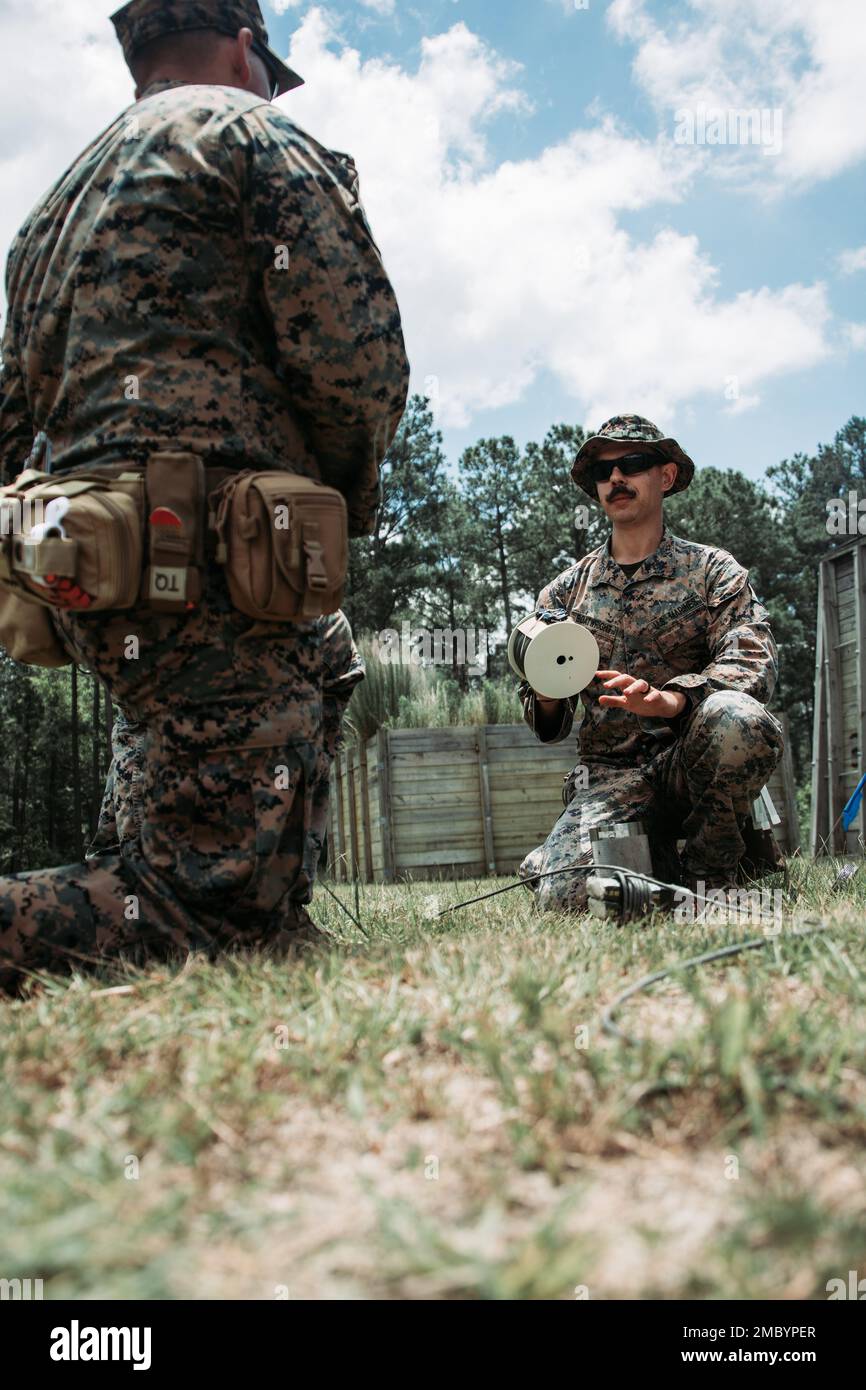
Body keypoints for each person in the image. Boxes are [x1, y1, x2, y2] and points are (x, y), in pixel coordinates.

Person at [0, 0, 409, 993]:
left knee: (302, 682)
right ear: (242, 47)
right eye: (270, 66)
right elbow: (353, 361)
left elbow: (13, 408)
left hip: (91, 557)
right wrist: (339, 501)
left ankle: (245, 897)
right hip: (220, 551)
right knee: (202, 917)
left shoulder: (55, 205)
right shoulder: (249, 135)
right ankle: (219, 907)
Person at [517, 414, 783, 912]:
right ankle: (644, 865)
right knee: (565, 898)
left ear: (665, 476)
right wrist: (548, 691)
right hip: (612, 779)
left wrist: (674, 700)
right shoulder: (563, 593)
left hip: (693, 765)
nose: (616, 478)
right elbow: (546, 725)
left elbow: (754, 662)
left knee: (739, 719)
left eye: (632, 463)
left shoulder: (712, 571)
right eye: (604, 471)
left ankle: (711, 877)